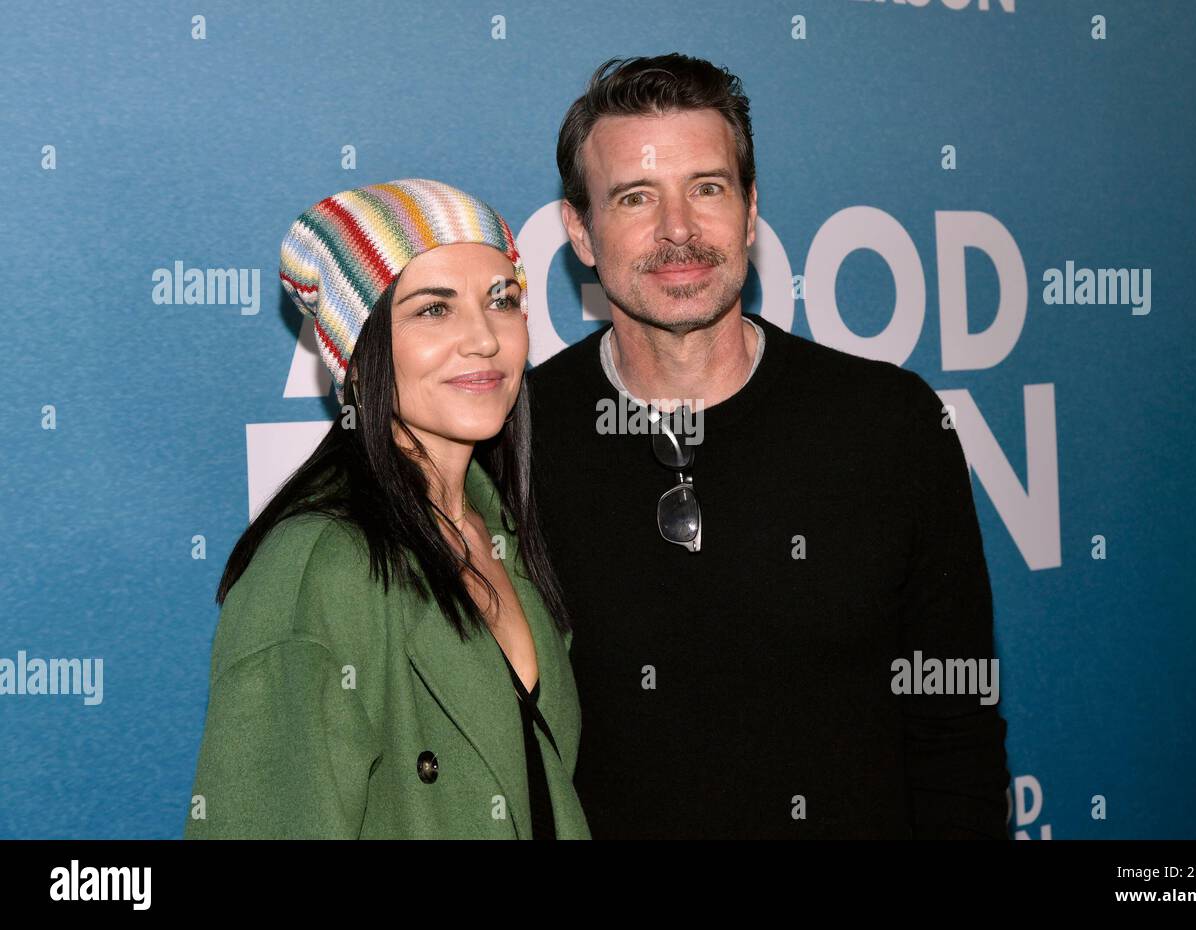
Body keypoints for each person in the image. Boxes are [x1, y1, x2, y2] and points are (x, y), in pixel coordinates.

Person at [526, 54, 1011, 838]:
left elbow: (954, 732)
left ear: (751, 211)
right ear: (581, 231)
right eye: (636, 196)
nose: (677, 230)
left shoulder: (892, 425)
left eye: (708, 188)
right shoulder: (517, 440)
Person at [184, 178, 589, 839]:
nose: (484, 339)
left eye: (502, 300)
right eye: (435, 310)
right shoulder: (321, 566)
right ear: (360, 346)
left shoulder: (506, 536)